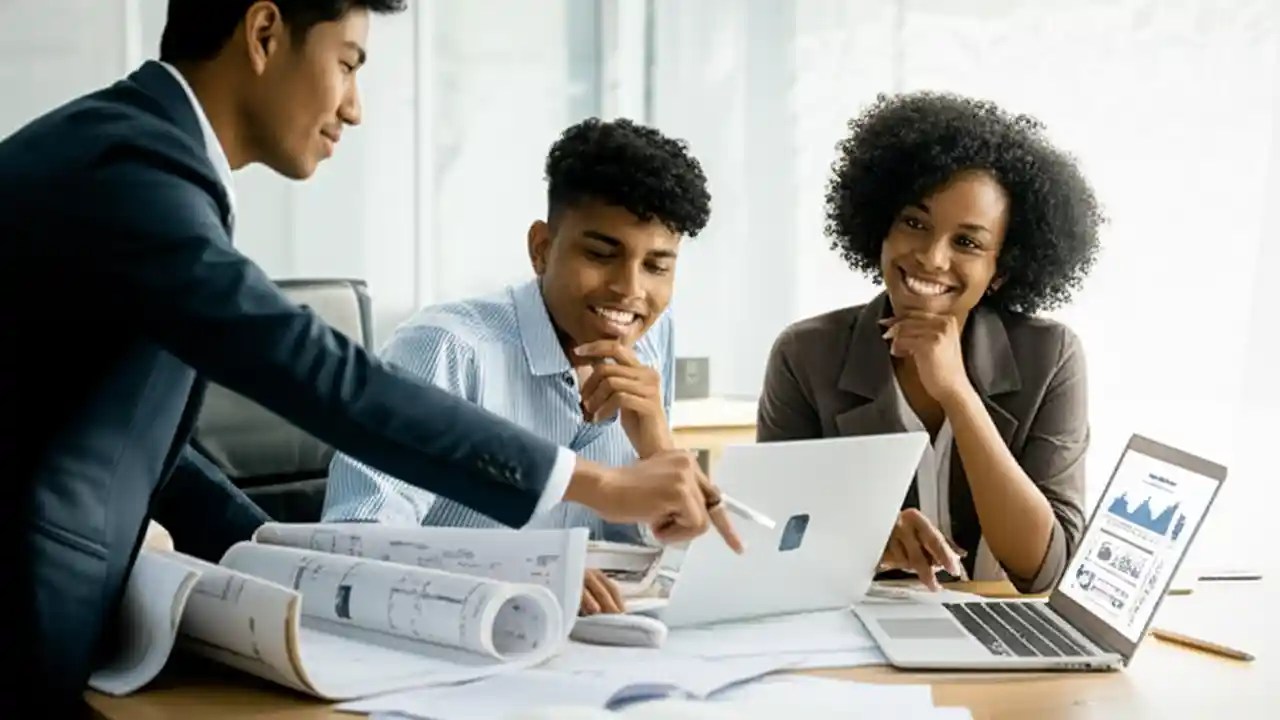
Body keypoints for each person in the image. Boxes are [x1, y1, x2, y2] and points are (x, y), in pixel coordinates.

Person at [0, 1, 738, 709]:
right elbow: (316, 373)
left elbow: (137, 436)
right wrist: (592, 483)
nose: (354, 106)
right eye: (347, 64)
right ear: (264, 33)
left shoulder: (128, 153)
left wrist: (266, 550)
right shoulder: (133, 169)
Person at [323, 117, 709, 615]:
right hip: (452, 642)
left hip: (595, 647)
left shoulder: (653, 339)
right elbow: (353, 539)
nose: (630, 290)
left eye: (656, 266)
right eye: (600, 254)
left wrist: (658, 450)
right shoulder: (444, 348)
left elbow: (640, 553)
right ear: (542, 249)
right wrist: (520, 573)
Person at [756, 91, 1103, 595]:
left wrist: (958, 394)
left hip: (1002, 636)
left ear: (1001, 270)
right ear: (881, 226)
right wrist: (866, 543)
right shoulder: (806, 355)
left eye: (967, 242)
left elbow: (1043, 568)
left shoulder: (1051, 357)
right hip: (853, 632)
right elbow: (771, 539)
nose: (931, 257)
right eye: (914, 223)